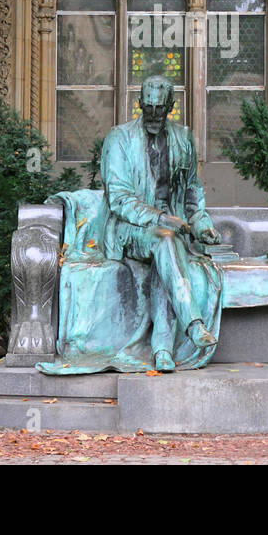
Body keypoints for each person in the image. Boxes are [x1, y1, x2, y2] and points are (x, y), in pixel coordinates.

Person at [100, 75, 220, 371]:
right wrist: (161, 218)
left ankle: (163, 351)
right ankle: (193, 324)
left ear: (171, 106)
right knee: (164, 239)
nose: (153, 114)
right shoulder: (118, 138)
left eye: (159, 109)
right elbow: (119, 198)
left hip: (171, 230)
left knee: (166, 248)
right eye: (148, 107)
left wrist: (201, 222)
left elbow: (192, 190)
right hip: (130, 228)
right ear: (139, 104)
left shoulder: (183, 138)